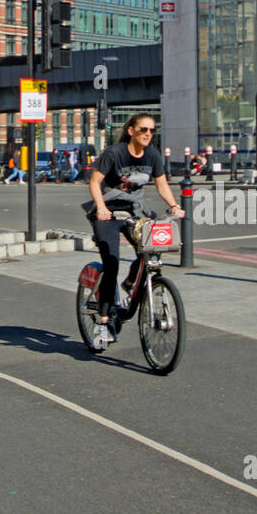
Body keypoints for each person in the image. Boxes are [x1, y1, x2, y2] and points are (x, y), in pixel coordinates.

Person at [86, 113, 184, 350]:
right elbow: (94, 181)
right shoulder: (115, 153)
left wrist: (173, 206)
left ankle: (131, 283)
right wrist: (100, 207)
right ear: (131, 131)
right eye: (143, 129)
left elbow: (161, 184)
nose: (148, 134)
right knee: (111, 263)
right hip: (108, 213)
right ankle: (104, 320)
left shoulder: (152, 154)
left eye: (151, 130)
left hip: (134, 212)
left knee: (150, 250)